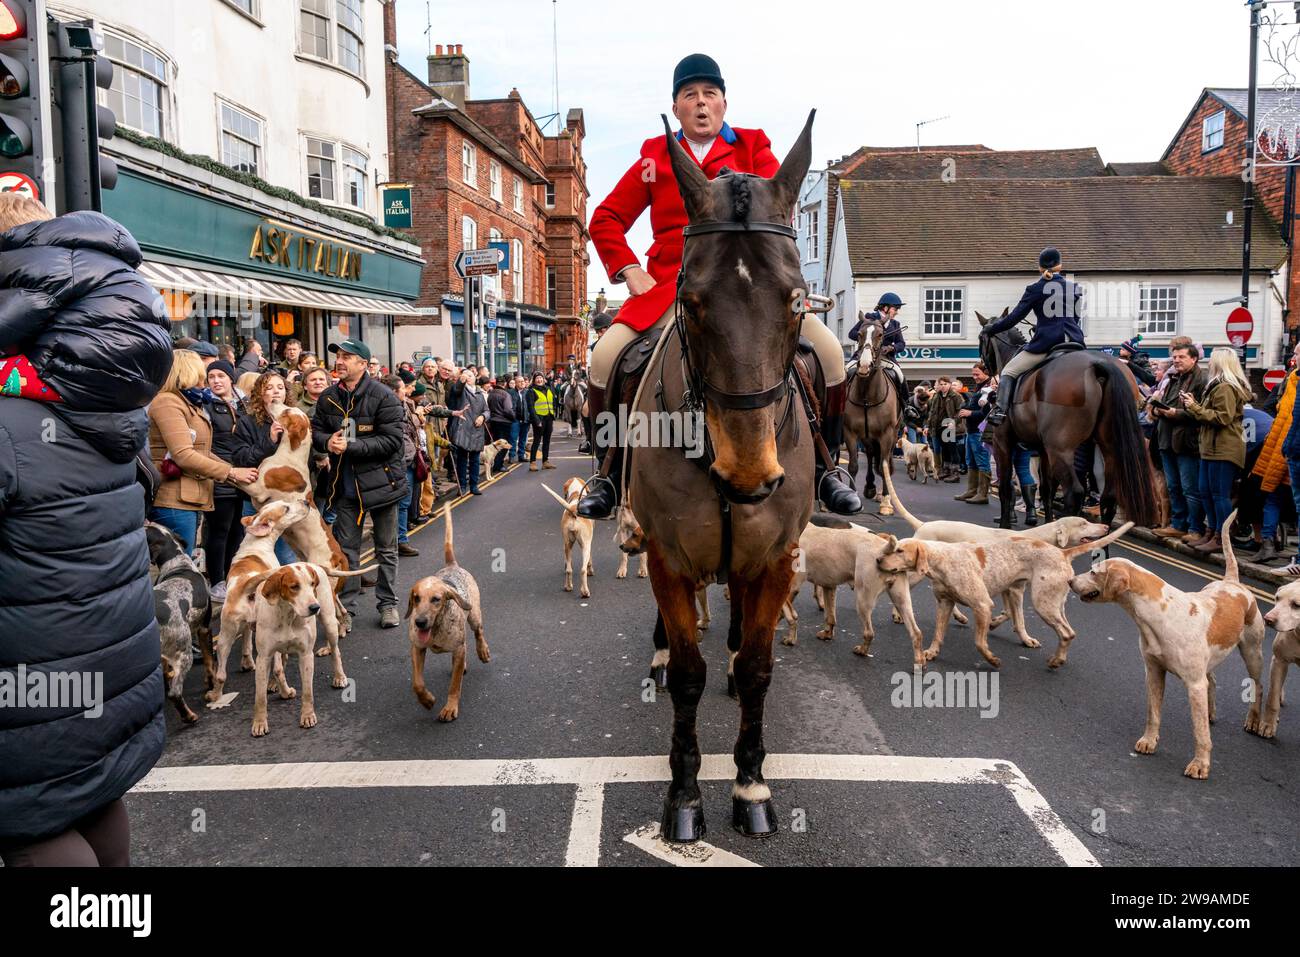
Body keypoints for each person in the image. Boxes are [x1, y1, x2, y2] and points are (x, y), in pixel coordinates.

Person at [582, 52, 860, 518]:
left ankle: (827, 469)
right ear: (678, 108)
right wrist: (630, 269)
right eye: (690, 95)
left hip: (750, 284)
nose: (701, 103)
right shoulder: (654, 158)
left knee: (830, 354)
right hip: (673, 283)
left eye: (709, 94)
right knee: (604, 357)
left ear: (724, 103)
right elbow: (606, 218)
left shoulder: (754, 146)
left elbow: (779, 203)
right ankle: (608, 473)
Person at [0, 198, 173, 867]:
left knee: (37, 825)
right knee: (96, 805)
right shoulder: (104, 409)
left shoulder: (14, 419)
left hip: (29, 693)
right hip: (103, 672)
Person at [313, 339, 408, 627]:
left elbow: (392, 441)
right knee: (347, 551)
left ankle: (388, 605)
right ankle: (348, 609)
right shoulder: (328, 396)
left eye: (347, 357)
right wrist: (327, 441)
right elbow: (316, 429)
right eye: (338, 356)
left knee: (386, 549)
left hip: (382, 486)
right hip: (344, 486)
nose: (339, 361)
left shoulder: (383, 396)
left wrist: (350, 447)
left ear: (363, 365)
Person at [148, 350, 258, 553]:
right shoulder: (168, 402)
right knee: (179, 565)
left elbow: (203, 450)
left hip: (190, 496)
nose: (204, 376)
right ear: (189, 370)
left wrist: (234, 473)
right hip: (174, 499)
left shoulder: (189, 402)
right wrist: (231, 472)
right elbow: (183, 454)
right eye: (201, 370)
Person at [983, 247, 1086, 427]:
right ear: (1060, 266)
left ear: (1040, 267)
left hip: (1048, 343)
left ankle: (999, 411)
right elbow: (1075, 318)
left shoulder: (1035, 288)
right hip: (1074, 341)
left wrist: (992, 328)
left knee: (1008, 371)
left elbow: (1014, 318)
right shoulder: (1074, 288)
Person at [1180, 348, 1250, 554]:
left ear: (1220, 363)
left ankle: (1221, 537)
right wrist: (1196, 405)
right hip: (1211, 448)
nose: (1208, 363)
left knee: (1219, 495)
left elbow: (1222, 417)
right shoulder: (1217, 386)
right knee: (1206, 492)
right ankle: (1211, 532)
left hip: (1224, 448)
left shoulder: (1226, 388)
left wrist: (1194, 407)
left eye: (1211, 360)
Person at [230, 370, 296, 565]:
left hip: (287, 496)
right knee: (258, 554)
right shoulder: (247, 422)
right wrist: (270, 440)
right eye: (269, 387)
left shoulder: (295, 418)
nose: (276, 392)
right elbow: (241, 459)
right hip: (256, 498)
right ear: (260, 394)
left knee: (286, 554)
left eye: (280, 387)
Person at [1149, 339, 1208, 543]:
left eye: (1182, 357)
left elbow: (1201, 413)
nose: (1177, 360)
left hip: (1187, 443)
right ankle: (1178, 525)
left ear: (1194, 358)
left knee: (1189, 489)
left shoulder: (1201, 380)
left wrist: (1176, 413)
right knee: (1173, 486)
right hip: (1166, 440)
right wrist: (1157, 409)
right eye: (1174, 357)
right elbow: (1167, 405)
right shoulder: (1174, 378)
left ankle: (1195, 528)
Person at [204, 359, 250, 601]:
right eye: (211, 377)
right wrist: (225, 469)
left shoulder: (243, 403)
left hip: (242, 476)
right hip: (220, 474)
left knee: (236, 530)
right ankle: (217, 581)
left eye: (221, 376)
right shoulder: (205, 405)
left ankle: (231, 575)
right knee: (218, 530)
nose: (216, 381)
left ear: (231, 379)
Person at [383, 373, 423, 555]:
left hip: (410, 459)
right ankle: (395, 541)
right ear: (393, 391)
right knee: (397, 504)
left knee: (405, 503)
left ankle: (401, 539)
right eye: (403, 389)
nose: (409, 390)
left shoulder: (406, 404)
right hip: (397, 462)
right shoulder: (384, 408)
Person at [849, 293, 908, 397]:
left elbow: (901, 344)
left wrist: (892, 347)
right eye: (895, 309)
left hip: (886, 358)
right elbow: (852, 333)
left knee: (900, 376)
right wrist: (867, 337)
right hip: (864, 355)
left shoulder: (895, 324)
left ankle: (906, 405)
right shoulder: (868, 318)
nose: (897, 312)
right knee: (846, 371)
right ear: (885, 308)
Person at [955, 361, 995, 504]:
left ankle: (983, 494)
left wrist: (970, 413)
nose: (974, 377)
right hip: (971, 431)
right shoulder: (979, 387)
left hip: (980, 431)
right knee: (971, 461)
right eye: (973, 374)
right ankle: (972, 491)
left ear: (986, 373)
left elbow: (987, 412)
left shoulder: (989, 388)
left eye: (977, 374)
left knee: (982, 462)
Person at [447, 367, 489, 495]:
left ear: (475, 378)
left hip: (476, 429)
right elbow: (456, 389)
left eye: (469, 376)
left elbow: (487, 410)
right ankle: (463, 486)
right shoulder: (460, 390)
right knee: (462, 460)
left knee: (475, 460)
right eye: (464, 376)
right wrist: (461, 381)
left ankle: (474, 485)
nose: (467, 378)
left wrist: (483, 417)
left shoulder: (480, 393)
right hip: (463, 428)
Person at [925, 376, 964, 482]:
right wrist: (928, 426)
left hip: (949, 425)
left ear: (950, 384)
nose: (943, 386)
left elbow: (960, 411)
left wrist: (954, 422)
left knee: (952, 449)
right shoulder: (937, 396)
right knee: (945, 450)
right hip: (939, 426)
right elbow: (932, 412)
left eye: (945, 384)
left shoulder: (955, 396)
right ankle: (946, 471)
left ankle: (955, 473)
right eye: (941, 384)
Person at [526, 371, 557, 471]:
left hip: (549, 418)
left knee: (547, 441)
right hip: (539, 419)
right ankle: (533, 462)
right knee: (537, 441)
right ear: (534, 380)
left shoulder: (548, 389)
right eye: (537, 378)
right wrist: (536, 420)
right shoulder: (531, 391)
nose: (539, 380)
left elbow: (552, 402)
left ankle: (545, 461)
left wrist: (553, 414)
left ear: (544, 379)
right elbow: (531, 408)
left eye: (541, 378)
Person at [487, 374, 516, 473]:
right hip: (504, 422)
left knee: (496, 444)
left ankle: (495, 463)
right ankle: (498, 465)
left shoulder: (491, 393)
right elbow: (508, 410)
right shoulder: (506, 394)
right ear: (504, 384)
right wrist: (513, 417)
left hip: (493, 421)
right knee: (504, 445)